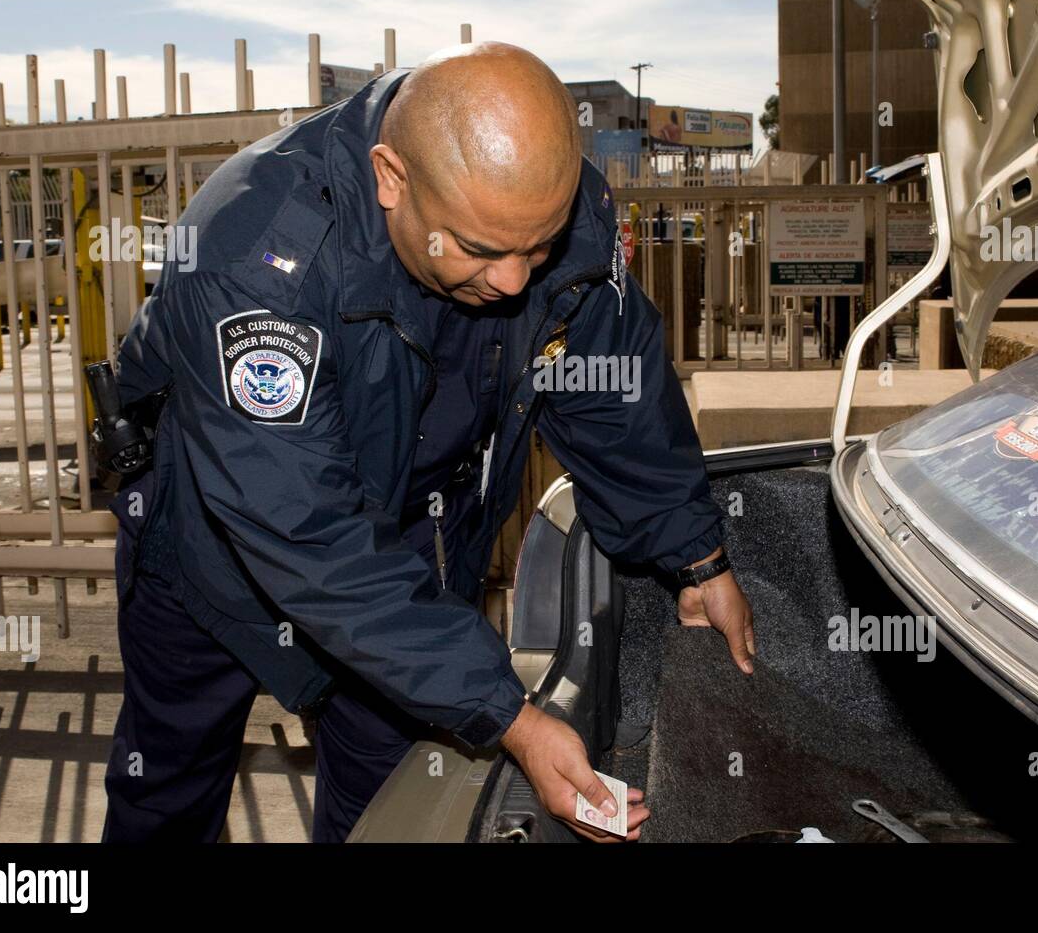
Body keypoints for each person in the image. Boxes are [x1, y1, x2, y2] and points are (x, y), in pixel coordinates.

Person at [102, 41, 754, 843]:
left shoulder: (542, 200)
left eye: (537, 248)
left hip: (413, 540)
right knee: (168, 785)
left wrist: (697, 557)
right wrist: (510, 715)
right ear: (390, 178)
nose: (515, 281)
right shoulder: (259, 256)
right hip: (217, 543)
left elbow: (615, 391)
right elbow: (307, 532)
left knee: (391, 799)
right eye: (480, 249)